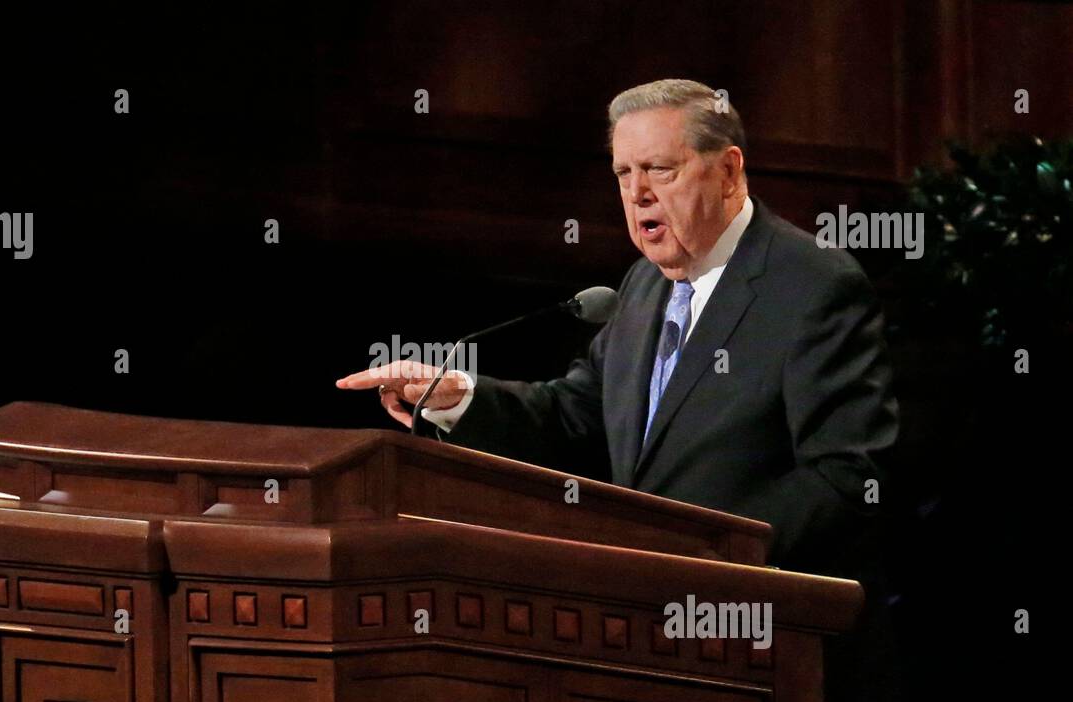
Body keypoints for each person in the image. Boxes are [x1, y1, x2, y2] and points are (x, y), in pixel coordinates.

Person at [336, 78, 899, 580]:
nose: (637, 194)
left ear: (729, 172)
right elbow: (578, 416)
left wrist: (710, 557)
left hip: (766, 624)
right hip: (647, 615)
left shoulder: (813, 285)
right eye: (624, 173)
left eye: (660, 169)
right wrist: (460, 397)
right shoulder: (645, 284)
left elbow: (847, 476)